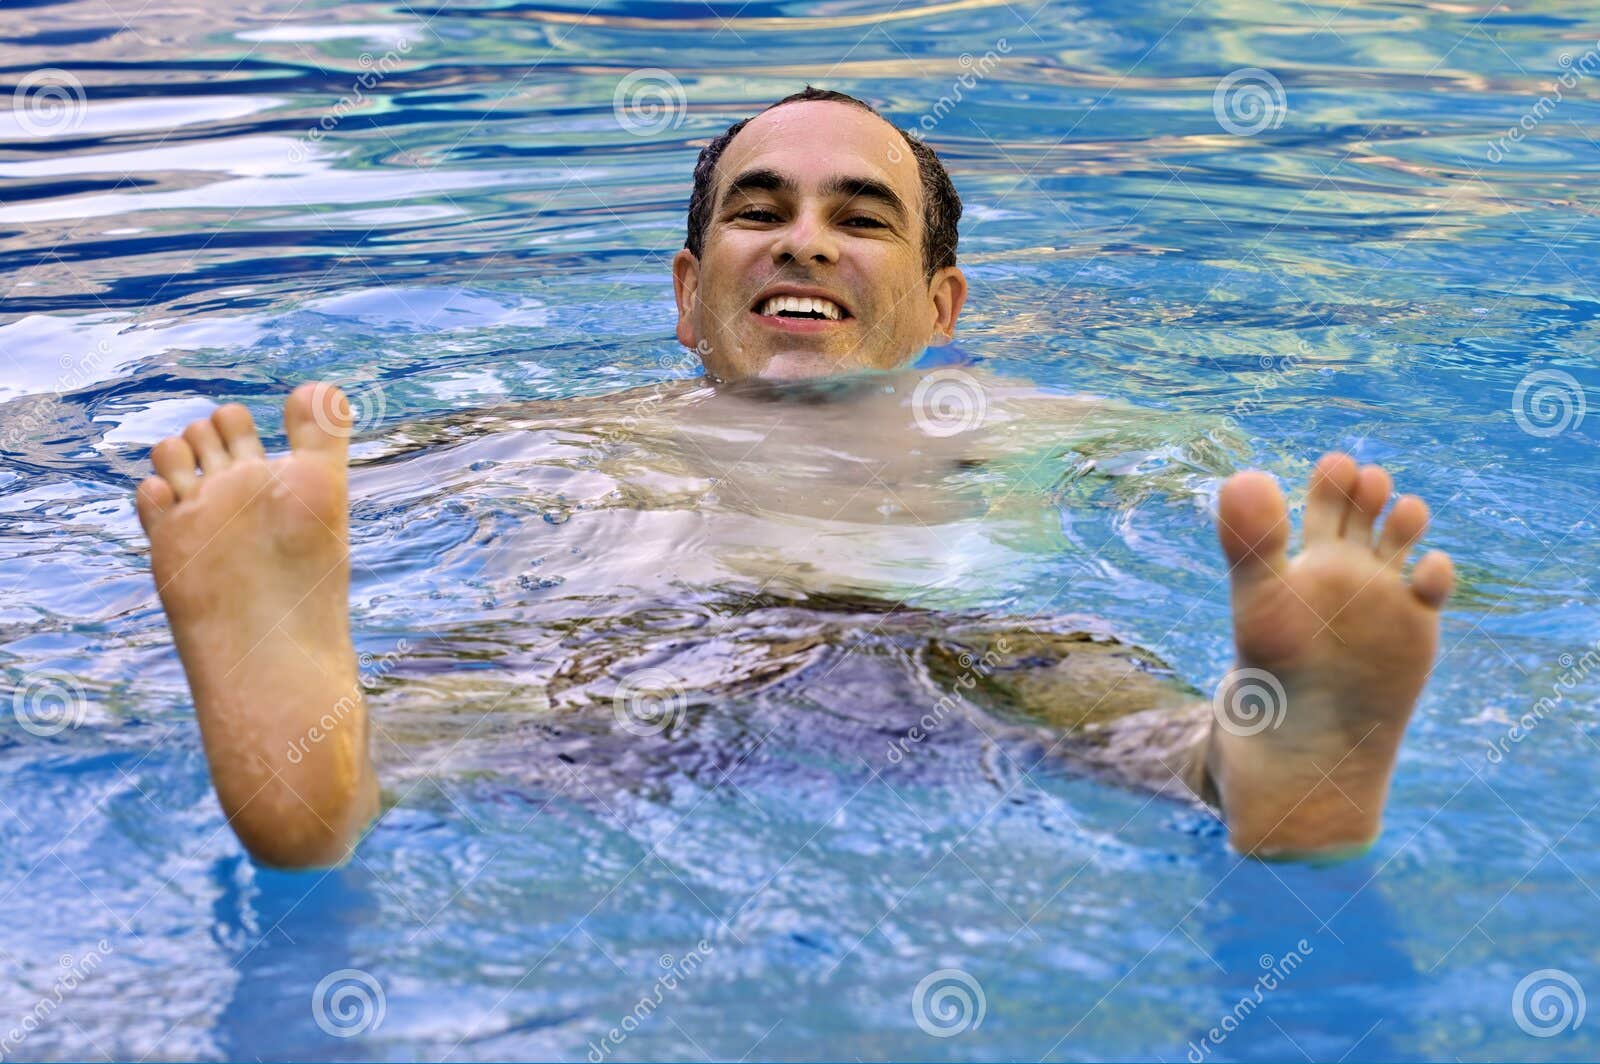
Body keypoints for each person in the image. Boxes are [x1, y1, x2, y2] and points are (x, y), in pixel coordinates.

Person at [132, 88, 1454, 868]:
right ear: (687, 290)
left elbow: (1270, 551)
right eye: (757, 213)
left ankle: (1270, 760)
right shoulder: (558, 429)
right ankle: (319, 773)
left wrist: (1344, 608)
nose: (803, 242)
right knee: (473, 691)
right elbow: (301, 512)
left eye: (858, 219)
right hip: (612, 662)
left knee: (1083, 672)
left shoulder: (1053, 423)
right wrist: (267, 565)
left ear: (941, 302)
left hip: (946, 658)